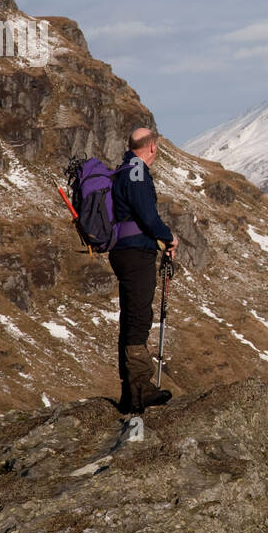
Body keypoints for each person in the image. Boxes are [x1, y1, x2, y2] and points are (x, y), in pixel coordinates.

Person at [108, 126, 178, 413]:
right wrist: (168, 236)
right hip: (136, 252)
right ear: (153, 146)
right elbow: (147, 216)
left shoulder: (125, 168)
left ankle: (130, 392)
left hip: (123, 250)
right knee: (138, 317)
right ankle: (140, 390)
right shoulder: (137, 172)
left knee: (132, 316)